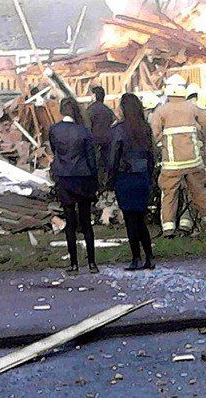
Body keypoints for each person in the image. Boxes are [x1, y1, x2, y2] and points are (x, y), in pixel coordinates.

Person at [151, 75, 206, 237]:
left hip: (171, 164)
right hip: (193, 162)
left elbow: (154, 135)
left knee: (169, 195)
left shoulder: (161, 111)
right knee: (199, 192)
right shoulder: (192, 108)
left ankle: (168, 229)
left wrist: (162, 146)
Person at [49, 97, 99, 274]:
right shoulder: (84, 131)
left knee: (70, 222)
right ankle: (92, 263)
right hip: (83, 177)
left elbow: (54, 151)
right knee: (86, 222)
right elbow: (91, 158)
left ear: (61, 111)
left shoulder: (54, 130)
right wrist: (95, 180)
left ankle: (74, 264)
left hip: (64, 177)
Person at [108, 93, 156, 271]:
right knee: (141, 219)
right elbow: (151, 155)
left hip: (125, 177)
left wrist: (110, 180)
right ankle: (149, 256)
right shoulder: (145, 128)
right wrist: (149, 177)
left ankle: (136, 257)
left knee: (130, 219)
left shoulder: (119, 129)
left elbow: (114, 156)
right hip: (142, 176)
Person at [86, 85, 115, 187]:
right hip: (108, 142)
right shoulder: (108, 110)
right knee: (105, 166)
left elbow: (87, 127)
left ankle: (97, 186)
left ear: (94, 95)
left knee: (95, 166)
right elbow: (114, 123)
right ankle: (105, 185)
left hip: (94, 143)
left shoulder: (90, 110)